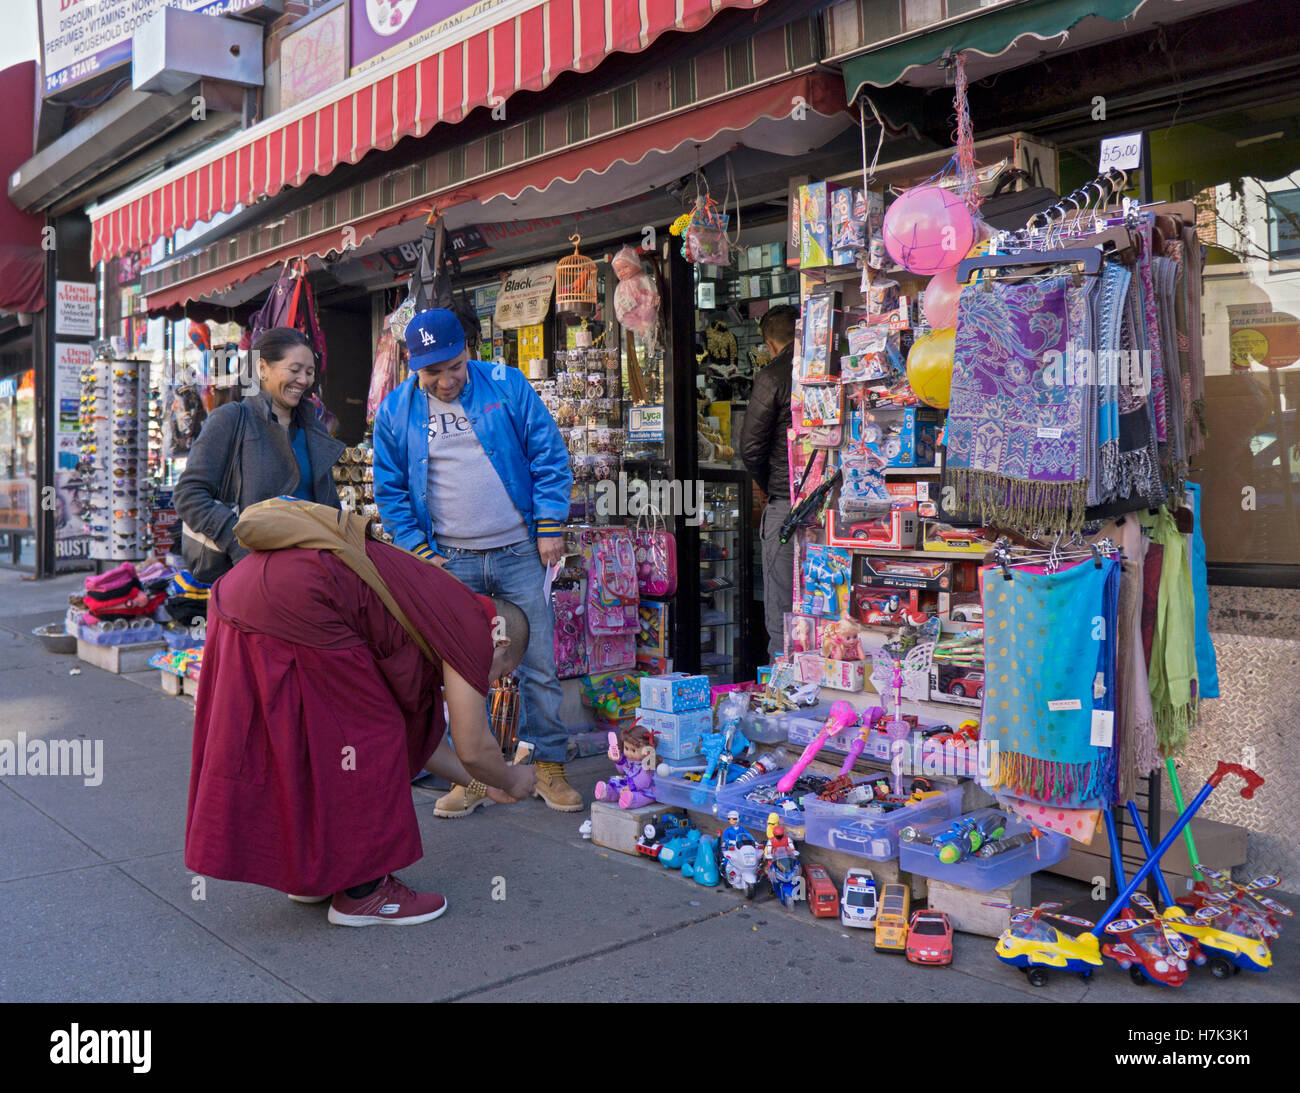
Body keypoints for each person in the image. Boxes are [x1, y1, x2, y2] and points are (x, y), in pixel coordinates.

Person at [185, 498, 537, 926]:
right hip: (297, 601)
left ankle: (316, 873)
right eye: (497, 672)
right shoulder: (471, 623)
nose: (485, 683)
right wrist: (512, 777)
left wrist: (484, 786)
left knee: (311, 739)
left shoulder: (435, 599)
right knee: (369, 736)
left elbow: (420, 738)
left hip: (243, 593)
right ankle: (365, 893)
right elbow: (472, 745)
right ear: (499, 641)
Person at [373, 308, 580, 816]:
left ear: (469, 351)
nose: (446, 381)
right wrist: (420, 555)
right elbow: (391, 491)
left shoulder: (507, 386)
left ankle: (548, 764)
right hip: (450, 561)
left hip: (518, 551)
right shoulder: (395, 411)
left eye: (454, 365)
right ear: (411, 365)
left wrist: (550, 527)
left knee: (537, 665)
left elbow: (549, 456)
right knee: (463, 673)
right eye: (432, 372)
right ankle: (475, 774)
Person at [174, 327, 343, 574]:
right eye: (294, 370)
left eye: (309, 373)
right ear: (262, 368)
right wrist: (237, 541)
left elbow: (328, 503)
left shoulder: (313, 427)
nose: (304, 380)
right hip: (251, 575)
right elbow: (188, 494)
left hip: (314, 571)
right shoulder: (230, 420)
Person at [739, 304, 799, 659]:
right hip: (827, 506)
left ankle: (783, 688)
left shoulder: (772, 376)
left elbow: (750, 448)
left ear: (768, 343)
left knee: (782, 612)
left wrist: (773, 486)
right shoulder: (830, 367)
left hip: (786, 505)